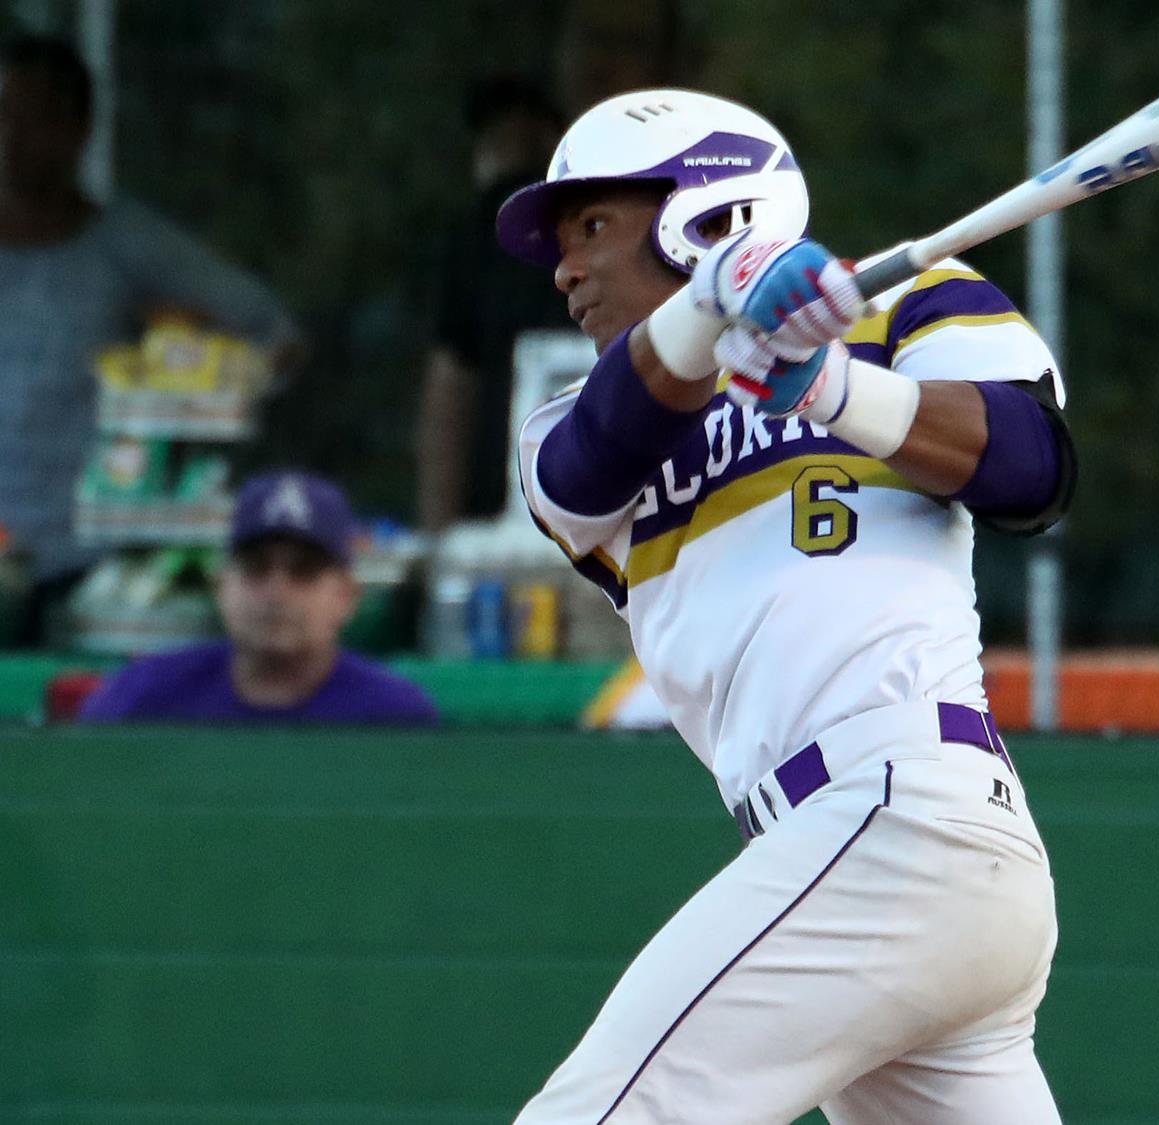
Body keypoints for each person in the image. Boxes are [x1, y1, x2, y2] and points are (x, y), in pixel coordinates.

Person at [497, 90, 1077, 1122]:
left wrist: (829, 387)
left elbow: (1034, 471)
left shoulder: (905, 307)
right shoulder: (564, 425)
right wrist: (715, 298)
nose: (564, 267)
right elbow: (594, 466)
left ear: (705, 209)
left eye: (593, 225)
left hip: (903, 807)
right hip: (836, 853)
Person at [0, 36, 300, 640]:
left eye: (34, 117)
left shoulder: (127, 247)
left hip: (92, 566)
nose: (12, 136)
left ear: (79, 128)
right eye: (2, 114)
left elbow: (272, 331)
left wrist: (192, 380)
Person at [79, 471, 436, 724]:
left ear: (346, 596)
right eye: (256, 568)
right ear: (221, 587)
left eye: (303, 571)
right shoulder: (144, 700)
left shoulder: (393, 715)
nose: (276, 592)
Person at [414, 77, 572, 532]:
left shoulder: (481, 233)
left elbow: (449, 393)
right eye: (497, 137)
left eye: (514, 137)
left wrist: (439, 539)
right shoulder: (479, 236)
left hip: (506, 520)